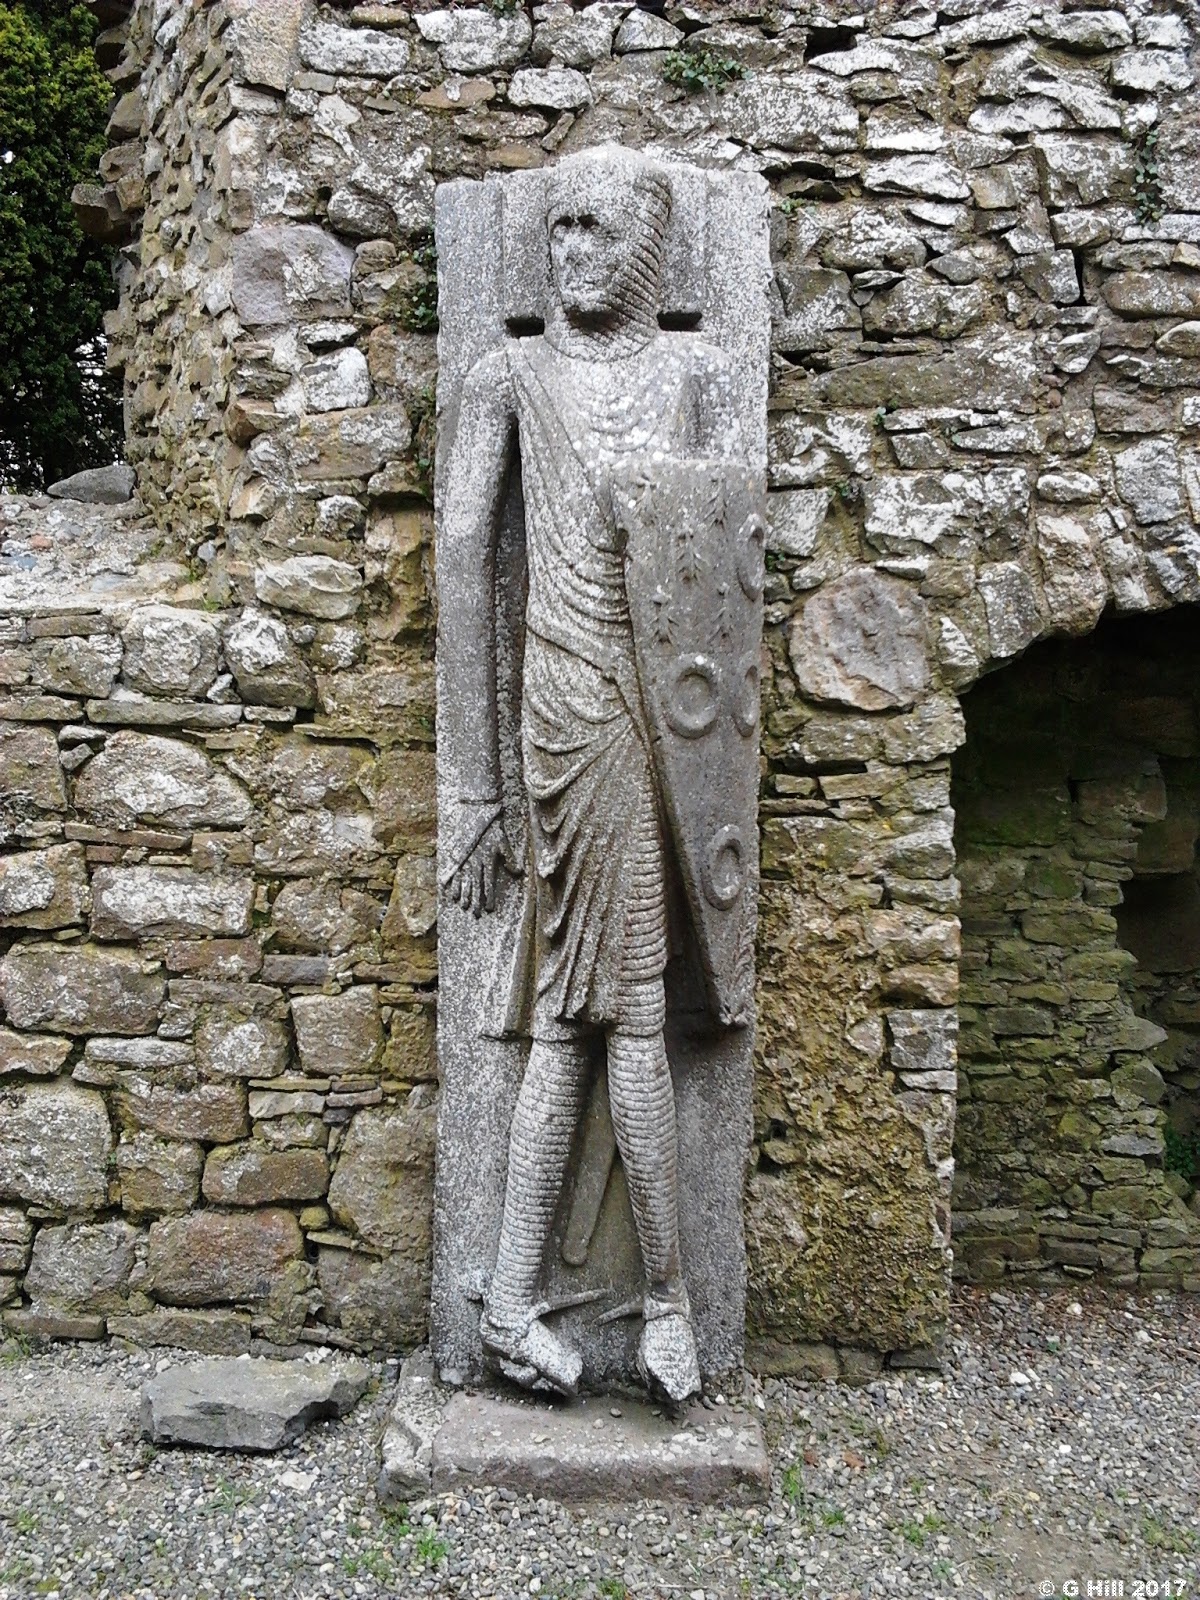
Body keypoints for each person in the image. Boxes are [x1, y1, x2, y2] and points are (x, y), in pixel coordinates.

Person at [438, 144, 745, 1401]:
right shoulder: (509, 373)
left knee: (585, 1018)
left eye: (596, 232)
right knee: (613, 1011)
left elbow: (732, 564)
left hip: (674, 721)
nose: (571, 252)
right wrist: (471, 785)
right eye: (557, 230)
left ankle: (529, 1301)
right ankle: (656, 1308)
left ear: (650, 252)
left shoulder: (700, 373)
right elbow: (465, 556)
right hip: (568, 716)